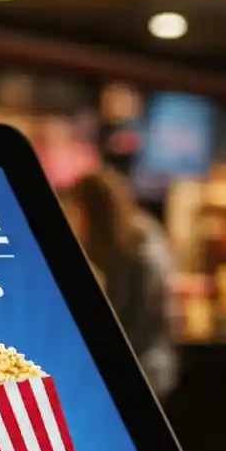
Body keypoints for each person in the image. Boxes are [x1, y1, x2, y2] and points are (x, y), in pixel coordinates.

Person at [62, 169, 178, 398]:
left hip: (144, 370)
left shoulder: (137, 252)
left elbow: (131, 326)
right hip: (145, 364)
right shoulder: (131, 239)